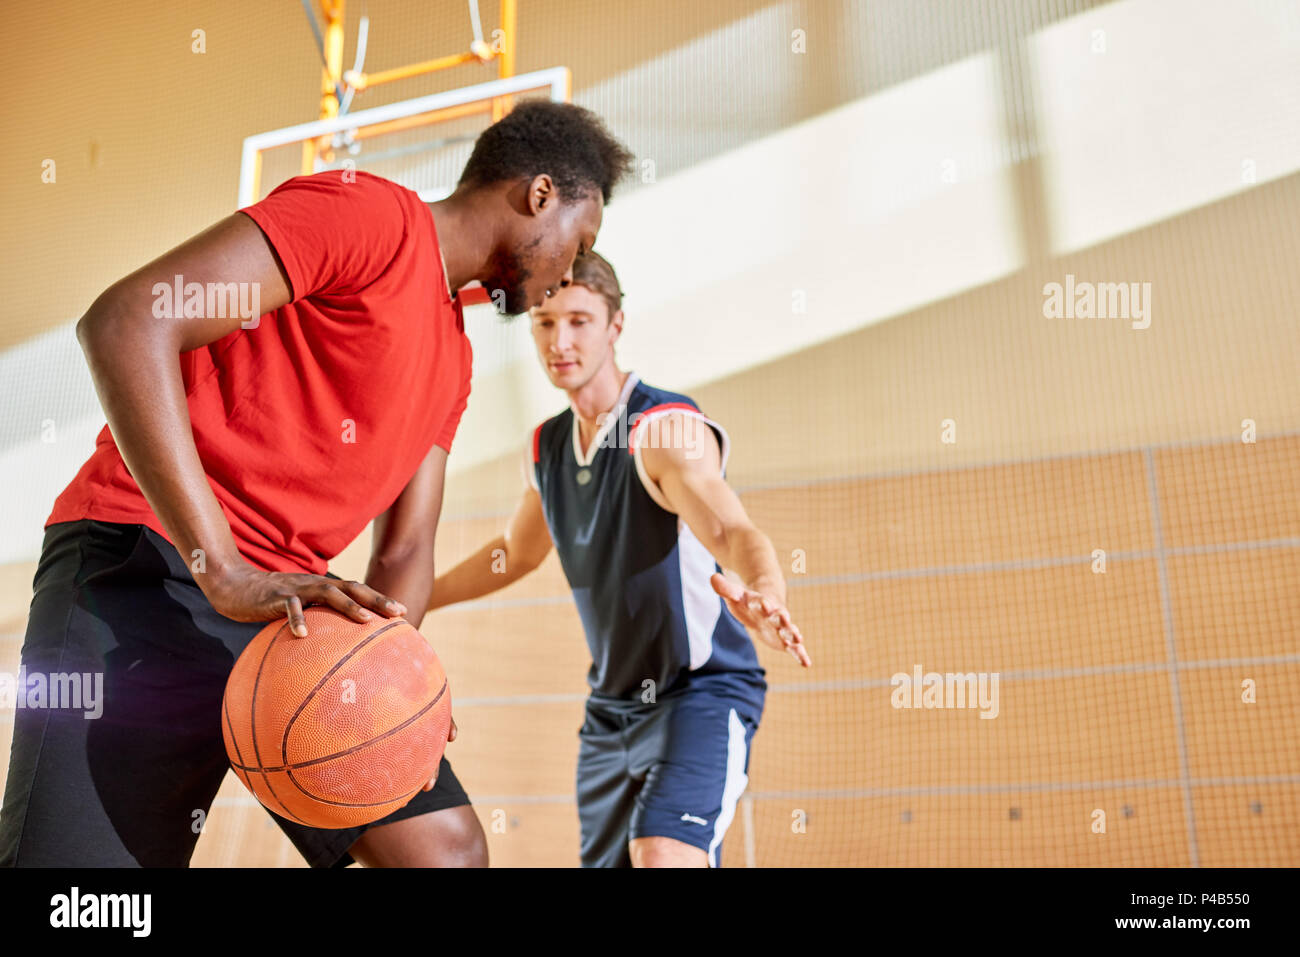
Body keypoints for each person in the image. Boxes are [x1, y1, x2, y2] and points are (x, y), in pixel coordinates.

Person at [0, 101, 634, 868]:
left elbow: (406, 547)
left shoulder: (453, 359)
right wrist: (224, 570)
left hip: (289, 612)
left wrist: (398, 679)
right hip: (142, 565)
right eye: (581, 239)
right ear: (540, 194)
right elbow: (129, 321)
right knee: (85, 904)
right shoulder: (365, 215)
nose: (569, 271)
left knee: (444, 852)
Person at [427, 251, 811, 867]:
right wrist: (416, 599)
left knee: (664, 855)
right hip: (611, 711)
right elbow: (513, 554)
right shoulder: (546, 445)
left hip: (699, 694)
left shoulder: (663, 429)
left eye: (580, 320)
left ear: (616, 326)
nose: (561, 340)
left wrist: (765, 590)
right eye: (545, 323)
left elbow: (731, 527)